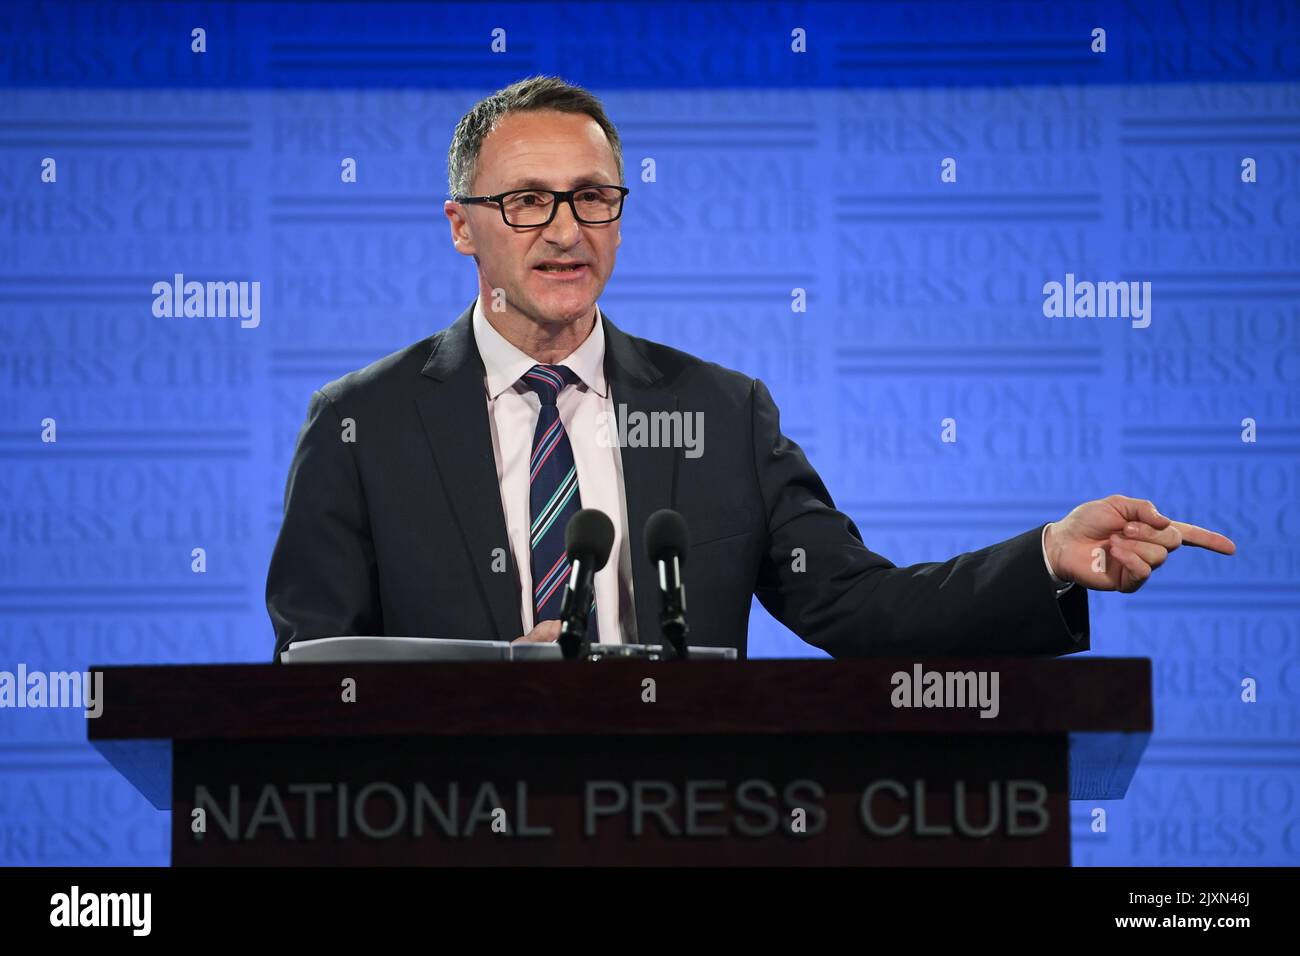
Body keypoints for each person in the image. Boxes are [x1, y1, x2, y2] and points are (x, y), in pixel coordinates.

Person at [265, 75, 1235, 661]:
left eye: (593, 196)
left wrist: (1046, 557)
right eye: (527, 201)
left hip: (679, 823)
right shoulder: (362, 422)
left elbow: (860, 607)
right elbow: (314, 671)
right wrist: (484, 688)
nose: (565, 230)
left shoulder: (722, 414)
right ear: (461, 226)